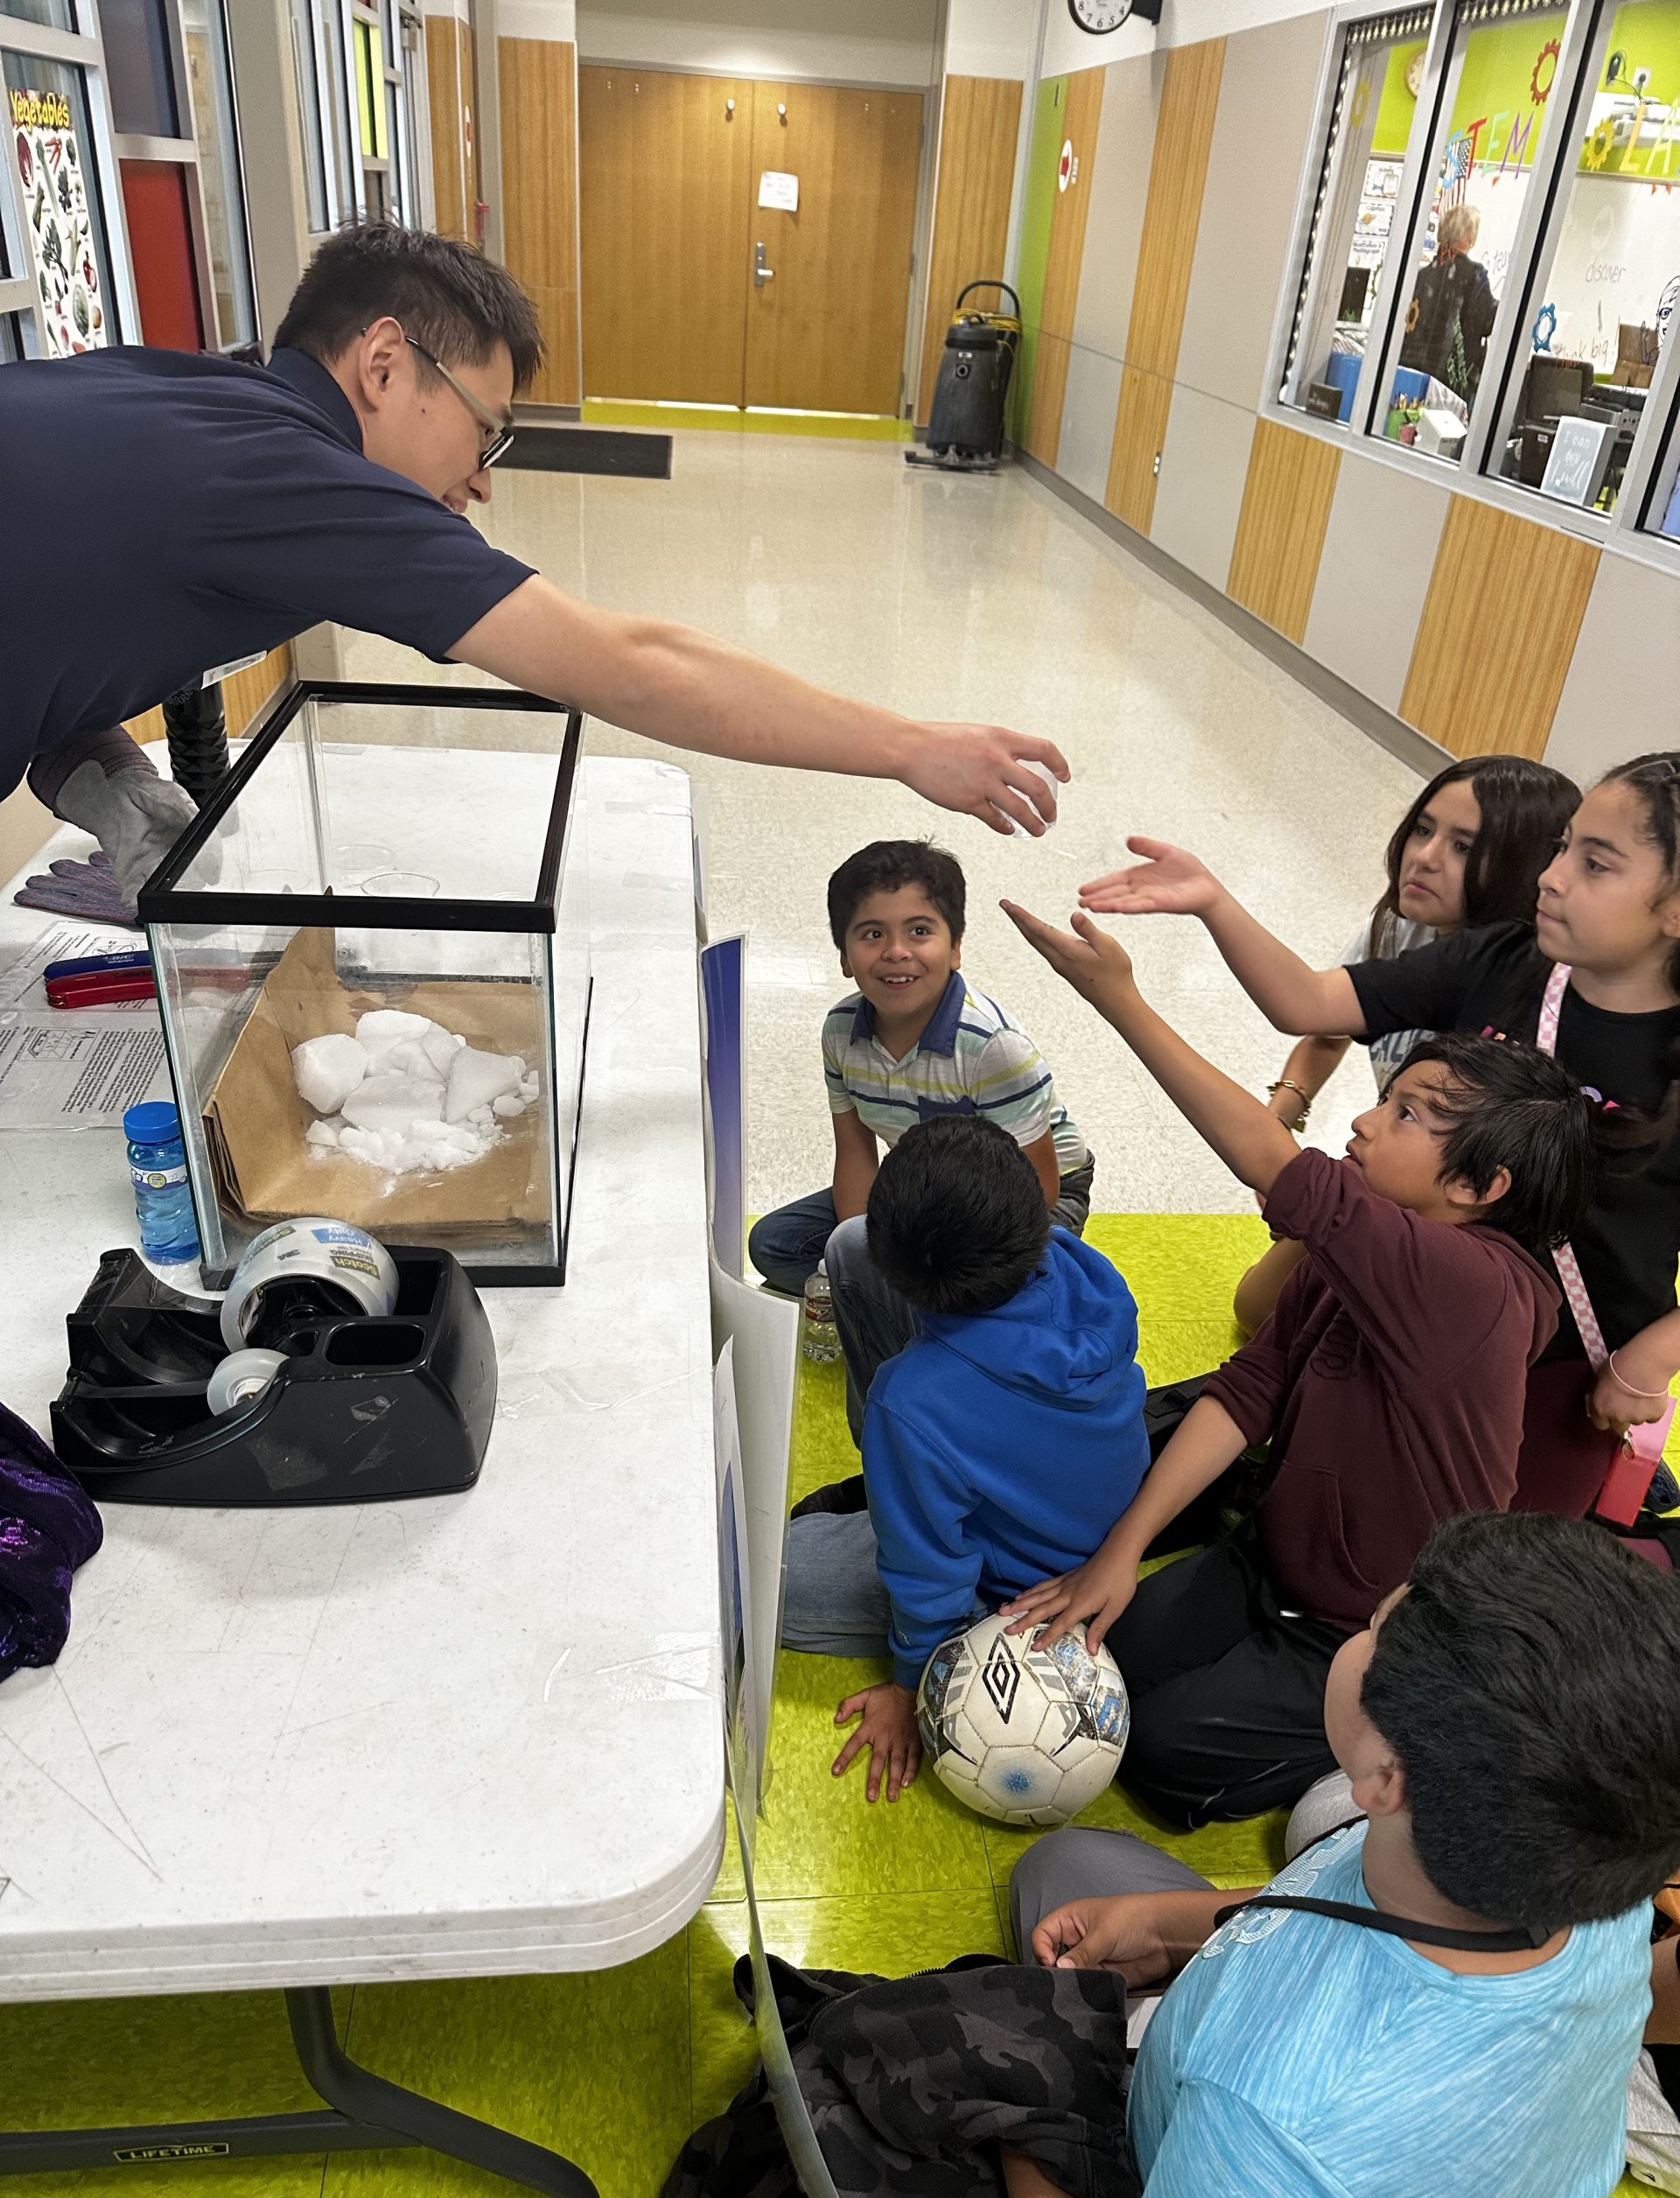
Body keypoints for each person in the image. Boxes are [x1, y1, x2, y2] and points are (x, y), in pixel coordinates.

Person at [3, 227, 1066, 912]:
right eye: (486, 431)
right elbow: (628, 662)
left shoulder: (186, 397)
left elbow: (60, 592)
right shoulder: (297, 478)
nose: (481, 478)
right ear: (382, 365)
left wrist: (105, 775)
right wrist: (906, 744)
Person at [1001, 898, 1592, 1822]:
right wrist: (1120, 1554)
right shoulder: (1368, 1244)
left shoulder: (1475, 1285)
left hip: (1370, 1634)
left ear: (1480, 1187)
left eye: (1406, 1115)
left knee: (1159, 1759)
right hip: (1268, 1561)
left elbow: (1267, 1160)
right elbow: (1248, 1386)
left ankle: (1390, 1742)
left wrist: (1121, 998)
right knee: (1090, 1667)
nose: (1363, 1121)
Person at [1003, 1512, 1680, 2198]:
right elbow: (1334, 1906)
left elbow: (1273, 2133)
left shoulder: (1277, 2132)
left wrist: (1027, 2117)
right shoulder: (1605, 1888)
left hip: (1230, 2164)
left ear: (1387, 1774)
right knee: (1068, 1868)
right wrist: (1161, 1927)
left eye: (1374, 1630)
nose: (1359, 1630)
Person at [1076, 752, 1680, 1522]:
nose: (1553, 877)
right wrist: (1213, 902)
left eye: (1595, 864)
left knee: (1490, 1559)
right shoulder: (1504, 957)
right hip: (1421, 1281)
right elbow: (1311, 1002)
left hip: (1567, 1355)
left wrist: (1652, 1355)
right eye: (1562, 846)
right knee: (1324, 1483)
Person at [779, 1115, 1148, 1804]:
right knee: (847, 1246)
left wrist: (913, 1680)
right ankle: (905, 1474)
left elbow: (928, 1573)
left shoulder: (912, 1400)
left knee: (761, 1579)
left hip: (1019, 1586)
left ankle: (906, 1477)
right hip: (1089, 1509)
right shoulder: (1085, 1270)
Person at [749, 838, 1093, 1452]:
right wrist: (857, 1254)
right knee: (776, 1244)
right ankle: (920, 1316)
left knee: (958, 1307)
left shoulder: (991, 1048)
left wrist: (908, 1272)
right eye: (871, 934)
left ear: (956, 947)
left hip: (1029, 1193)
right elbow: (855, 1154)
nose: (897, 952)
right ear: (845, 956)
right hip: (922, 1182)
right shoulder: (840, 1034)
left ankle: (936, 1354)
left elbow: (1036, 1187)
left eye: (920, 930)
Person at [1236, 755, 1579, 1336]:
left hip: (1457, 1212)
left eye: (1465, 846)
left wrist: (1326, 1192)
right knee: (1261, 1309)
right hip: (1391, 1163)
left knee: (1304, 1331)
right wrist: (1284, 1110)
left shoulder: (1521, 990)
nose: (1425, 856)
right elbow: (1325, 1022)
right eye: (1423, 829)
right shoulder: (1402, 924)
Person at [1398, 202, 1497, 406]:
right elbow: (1486, 322)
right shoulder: (1474, 276)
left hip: (1410, 375)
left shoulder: (1421, 276)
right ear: (1470, 238)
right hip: (1449, 382)